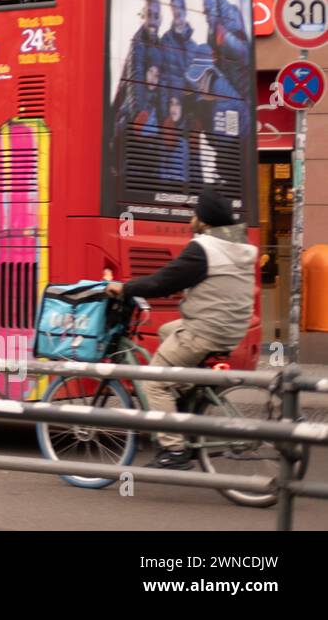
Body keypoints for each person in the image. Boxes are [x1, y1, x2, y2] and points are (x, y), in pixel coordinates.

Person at [107, 189, 257, 470]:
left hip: (205, 330)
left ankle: (173, 450)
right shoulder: (241, 247)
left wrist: (124, 288)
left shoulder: (205, 248)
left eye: (195, 212)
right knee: (167, 329)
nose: (192, 217)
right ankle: (187, 391)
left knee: (154, 381)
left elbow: (163, 283)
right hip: (231, 328)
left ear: (205, 219)